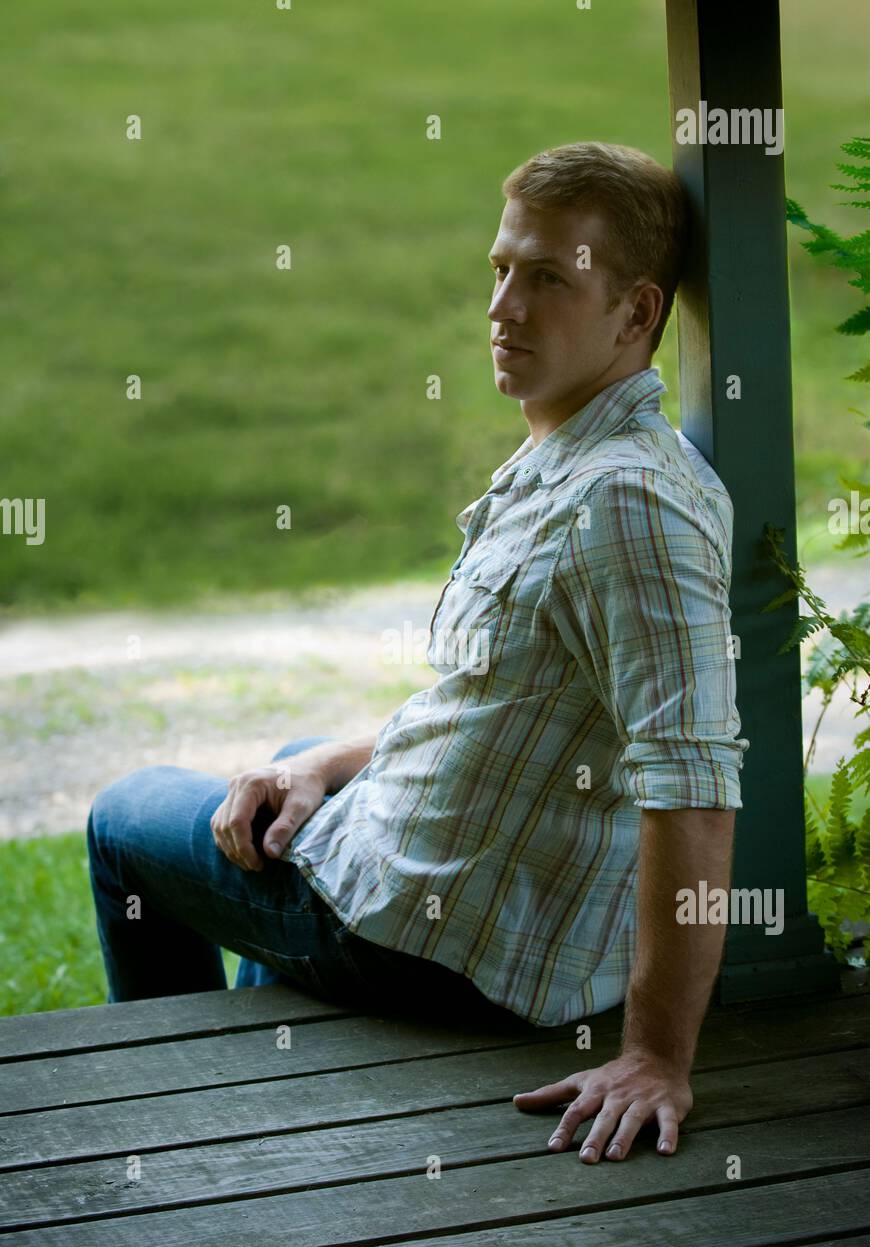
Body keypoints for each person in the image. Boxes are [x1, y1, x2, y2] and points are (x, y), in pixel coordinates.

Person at [89, 141, 748, 1164]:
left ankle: (181, 1125)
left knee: (124, 818)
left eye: (548, 281)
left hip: (438, 945)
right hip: (485, 893)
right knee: (291, 763)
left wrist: (657, 1056)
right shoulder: (583, 453)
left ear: (635, 315)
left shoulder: (626, 503)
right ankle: (287, 1064)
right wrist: (326, 766)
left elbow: (695, 783)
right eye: (500, 270)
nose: (503, 308)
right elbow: (503, 694)